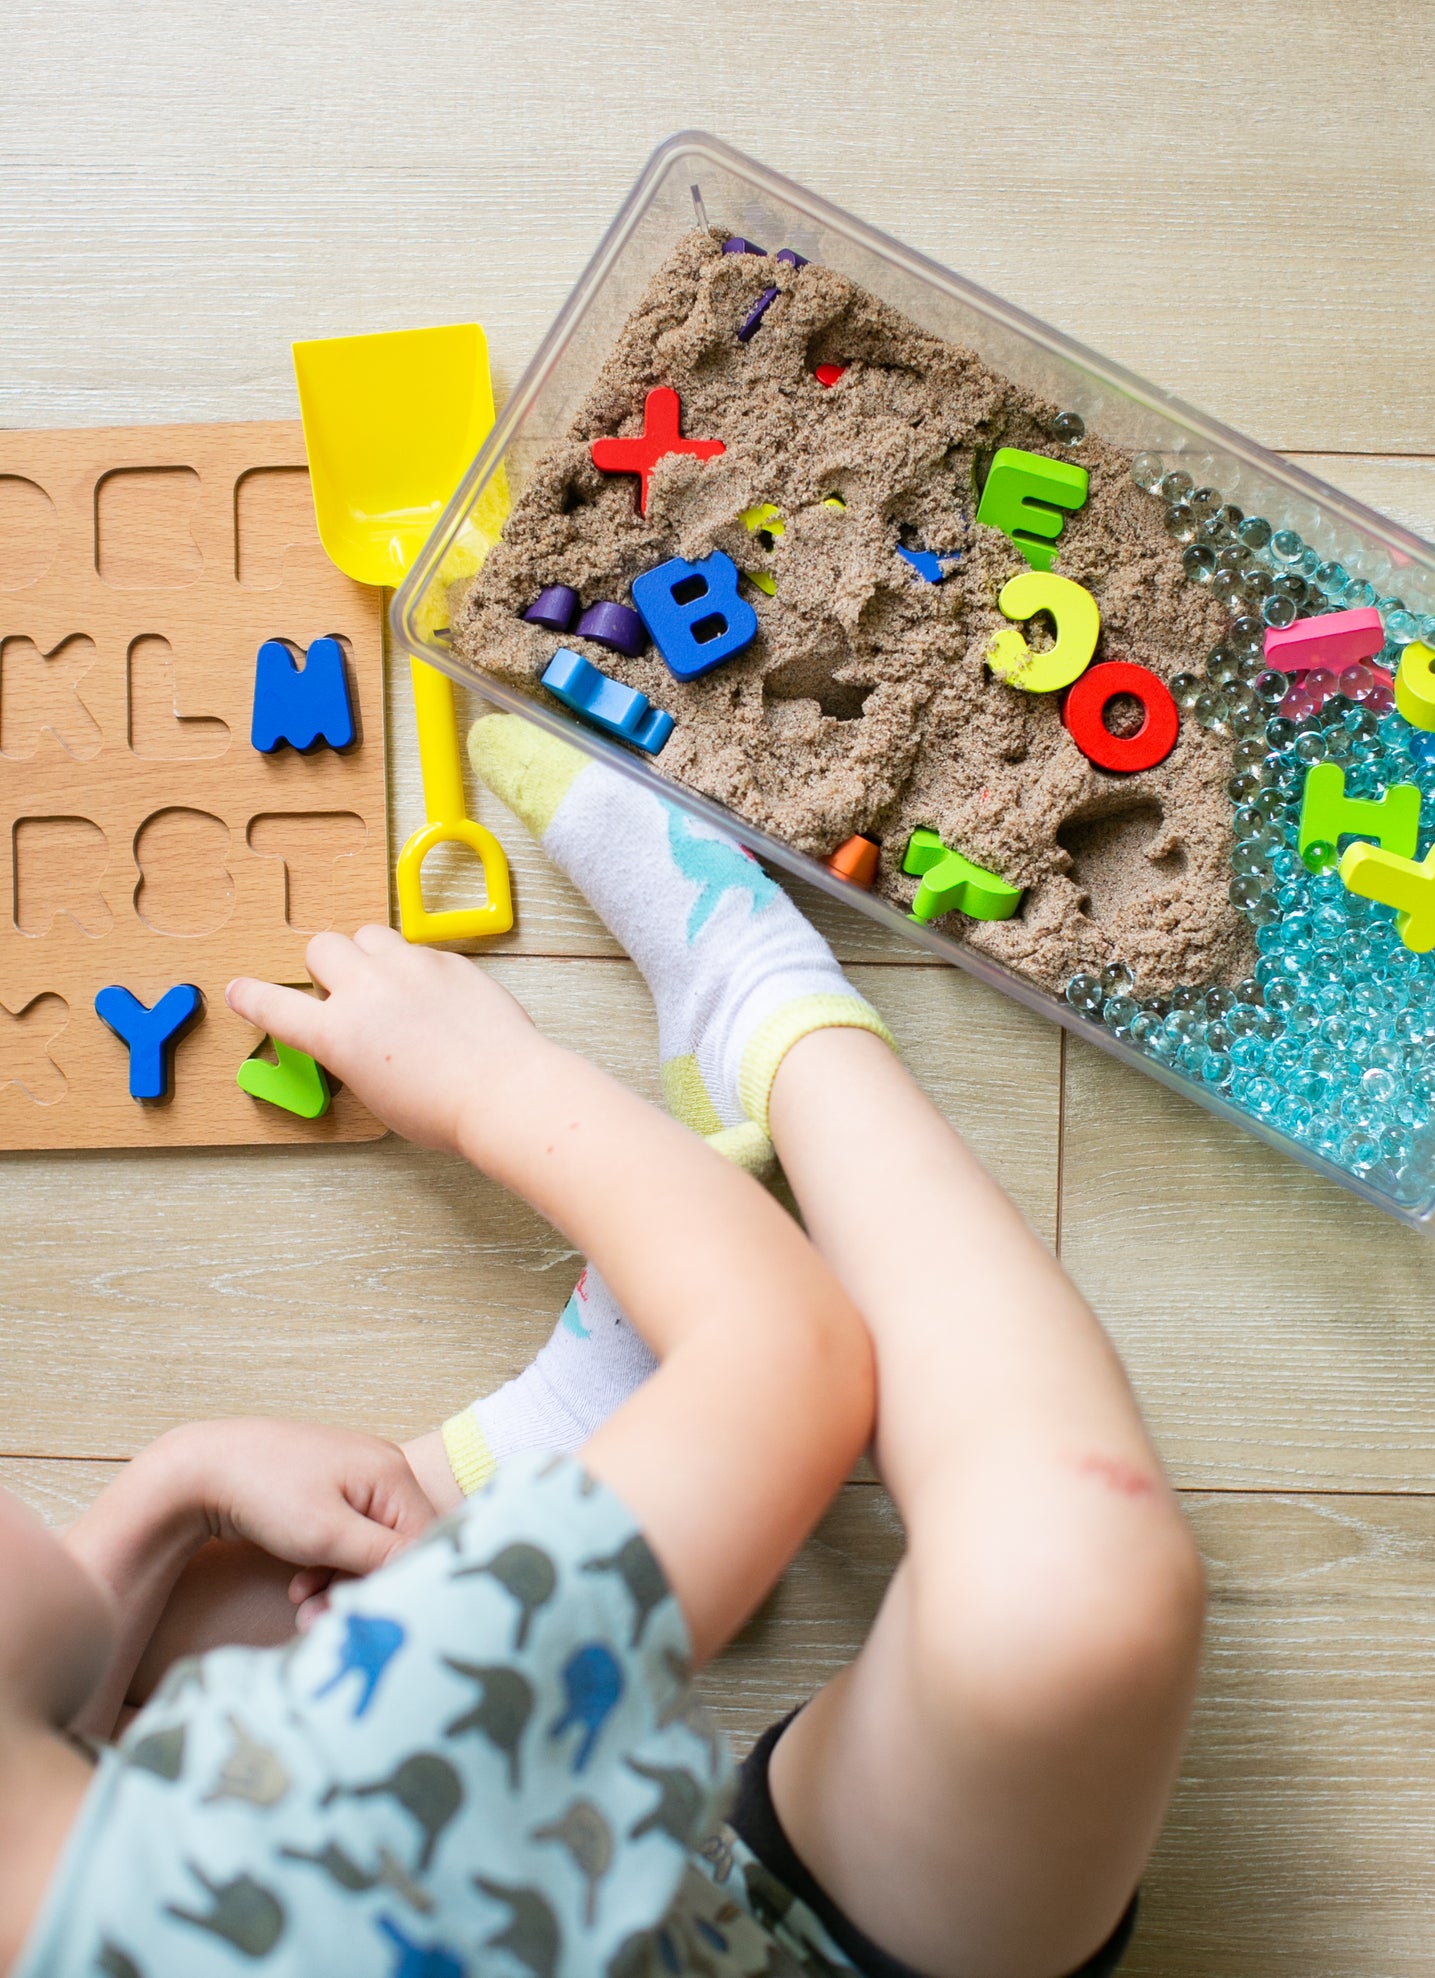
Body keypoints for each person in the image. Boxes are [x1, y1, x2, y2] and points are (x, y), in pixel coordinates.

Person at [0, 718, 1204, 1978]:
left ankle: (568, 1446)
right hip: (751, 1940)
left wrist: (169, 1498)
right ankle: (758, 1008)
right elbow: (790, 1354)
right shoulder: (337, 1789)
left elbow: (59, 1711)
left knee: (202, 1615)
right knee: (1080, 1593)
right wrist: (495, 1089)